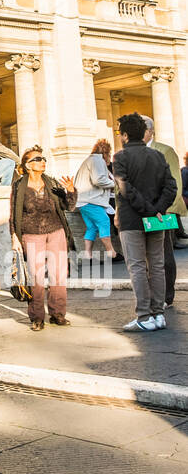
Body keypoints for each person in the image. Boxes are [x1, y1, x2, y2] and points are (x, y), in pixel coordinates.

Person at [113, 112, 177, 332]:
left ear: (126, 135)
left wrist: (147, 210)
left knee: (138, 267)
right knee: (157, 266)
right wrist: (158, 210)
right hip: (157, 219)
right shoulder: (157, 156)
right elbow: (171, 187)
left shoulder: (120, 157)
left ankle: (143, 316)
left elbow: (125, 189)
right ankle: (159, 314)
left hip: (133, 219)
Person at [10, 146, 77, 330]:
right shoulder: (19, 185)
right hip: (31, 234)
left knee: (58, 275)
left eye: (43, 159)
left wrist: (71, 191)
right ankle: (37, 317)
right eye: (38, 159)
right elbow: (13, 213)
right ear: (28, 165)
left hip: (56, 231)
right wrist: (14, 237)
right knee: (36, 277)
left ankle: (57, 314)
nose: (42, 162)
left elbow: (68, 206)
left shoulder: (52, 182)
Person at [142, 116, 185, 309]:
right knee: (145, 256)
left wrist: (166, 210)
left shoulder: (165, 150)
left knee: (163, 254)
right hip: (140, 211)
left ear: (150, 131)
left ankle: (167, 296)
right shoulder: (131, 152)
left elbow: (175, 181)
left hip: (163, 211)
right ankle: (152, 294)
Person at [74, 140, 116, 266]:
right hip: (91, 200)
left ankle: (88, 255)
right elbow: (99, 180)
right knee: (104, 221)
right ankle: (111, 252)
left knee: (91, 227)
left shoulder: (89, 160)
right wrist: (115, 184)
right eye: (109, 153)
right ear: (106, 152)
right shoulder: (97, 160)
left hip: (82, 201)